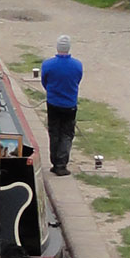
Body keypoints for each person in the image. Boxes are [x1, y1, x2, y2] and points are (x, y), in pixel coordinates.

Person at [39, 33, 83, 176]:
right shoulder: (77, 65)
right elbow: (77, 80)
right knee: (67, 134)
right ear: (69, 48)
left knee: (54, 132)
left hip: (53, 103)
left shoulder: (48, 64)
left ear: (57, 48)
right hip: (70, 104)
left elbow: (44, 81)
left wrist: (52, 92)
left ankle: (54, 161)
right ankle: (61, 163)